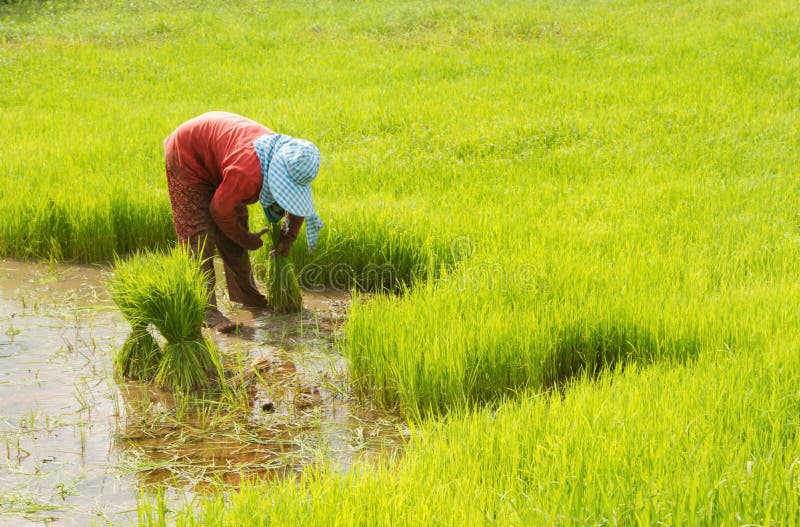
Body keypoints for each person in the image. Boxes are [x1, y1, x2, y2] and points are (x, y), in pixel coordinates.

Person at [163, 111, 323, 332]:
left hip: (221, 160)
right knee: (198, 236)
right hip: (187, 155)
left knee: (235, 223)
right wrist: (246, 239)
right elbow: (218, 209)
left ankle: (247, 296)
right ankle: (205, 309)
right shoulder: (248, 172)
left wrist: (289, 237)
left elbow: (297, 206)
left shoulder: (294, 162)